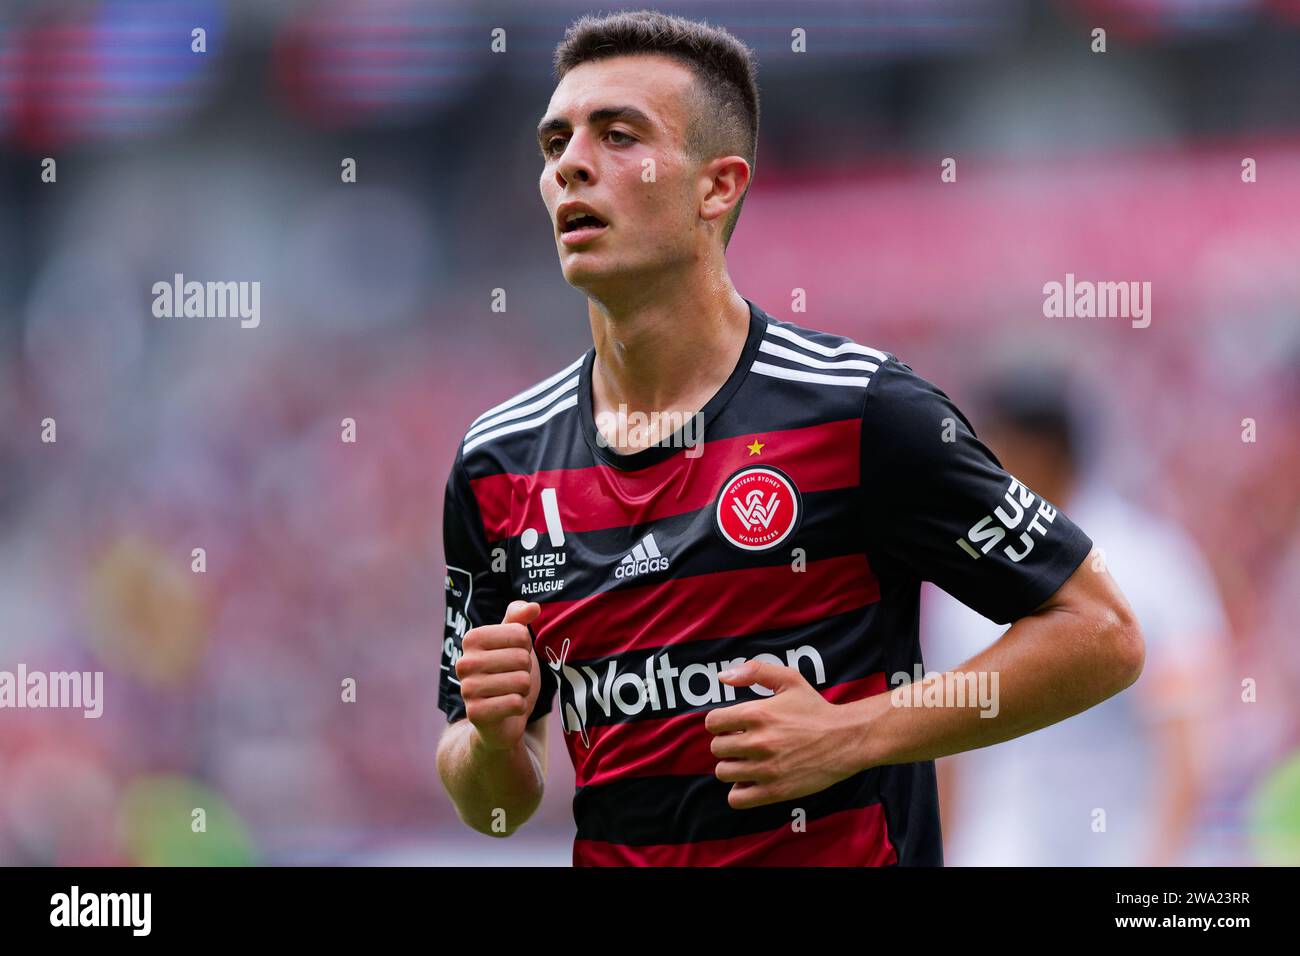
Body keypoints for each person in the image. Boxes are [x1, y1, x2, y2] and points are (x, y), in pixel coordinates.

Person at [435, 9, 1143, 866]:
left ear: (717, 185)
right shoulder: (497, 463)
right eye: (555, 143)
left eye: (619, 135)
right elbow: (497, 807)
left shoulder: (862, 411)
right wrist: (492, 743)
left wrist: (852, 734)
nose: (570, 164)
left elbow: (1100, 631)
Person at [921, 367, 1229, 865]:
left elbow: (1186, 732)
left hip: (1122, 849)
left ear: (1037, 449)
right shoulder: (961, 580)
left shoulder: (1152, 566)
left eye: (989, 442)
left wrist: (1160, 862)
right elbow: (946, 748)